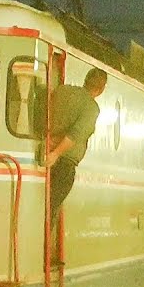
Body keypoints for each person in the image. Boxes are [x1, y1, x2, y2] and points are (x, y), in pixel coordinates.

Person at [45, 68, 108, 215]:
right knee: (50, 211)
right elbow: (75, 134)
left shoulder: (62, 91)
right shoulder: (91, 108)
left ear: (86, 79)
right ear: (101, 89)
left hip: (43, 153)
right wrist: (55, 154)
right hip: (63, 165)